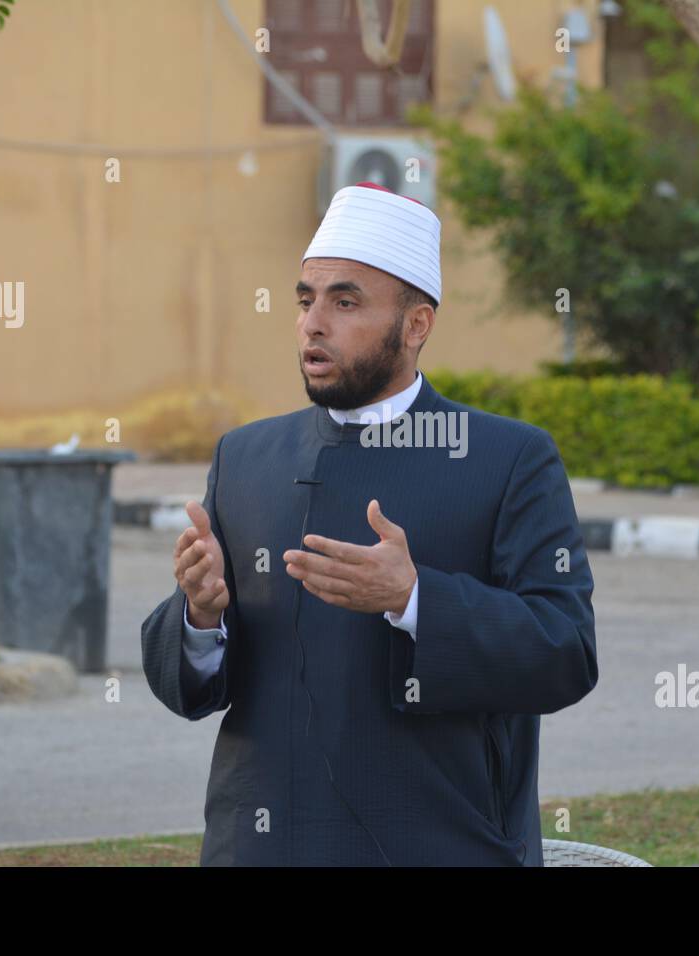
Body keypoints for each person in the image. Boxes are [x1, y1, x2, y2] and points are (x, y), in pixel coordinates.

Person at [141, 181, 597, 865]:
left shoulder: (508, 458)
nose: (312, 322)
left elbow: (565, 653)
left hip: (442, 845)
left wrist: (416, 600)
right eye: (305, 299)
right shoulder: (248, 457)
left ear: (416, 325)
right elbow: (195, 687)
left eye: (345, 301)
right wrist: (201, 618)